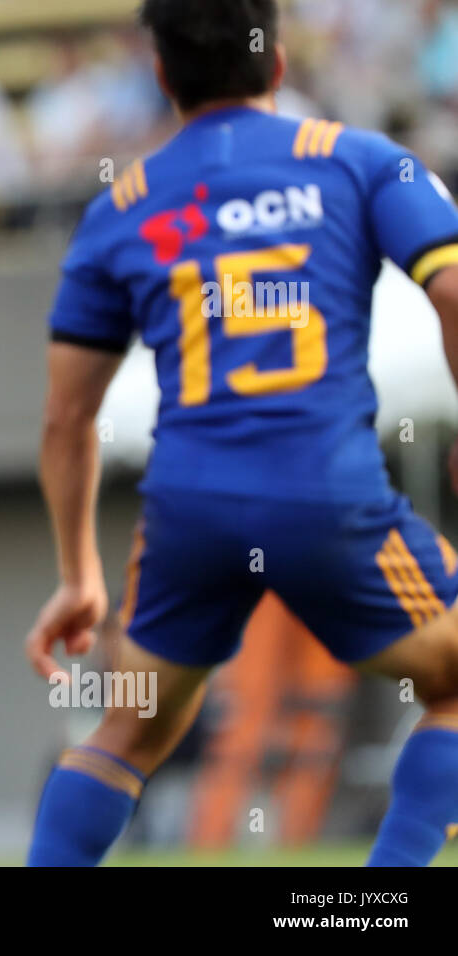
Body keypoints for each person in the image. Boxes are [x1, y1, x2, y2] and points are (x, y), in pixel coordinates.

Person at [25, 0, 458, 867]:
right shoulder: (359, 161)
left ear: (159, 73)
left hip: (189, 512)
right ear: (280, 61)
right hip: (327, 495)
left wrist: (79, 574)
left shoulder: (122, 206)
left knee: (129, 734)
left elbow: (67, 417)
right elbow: (450, 292)